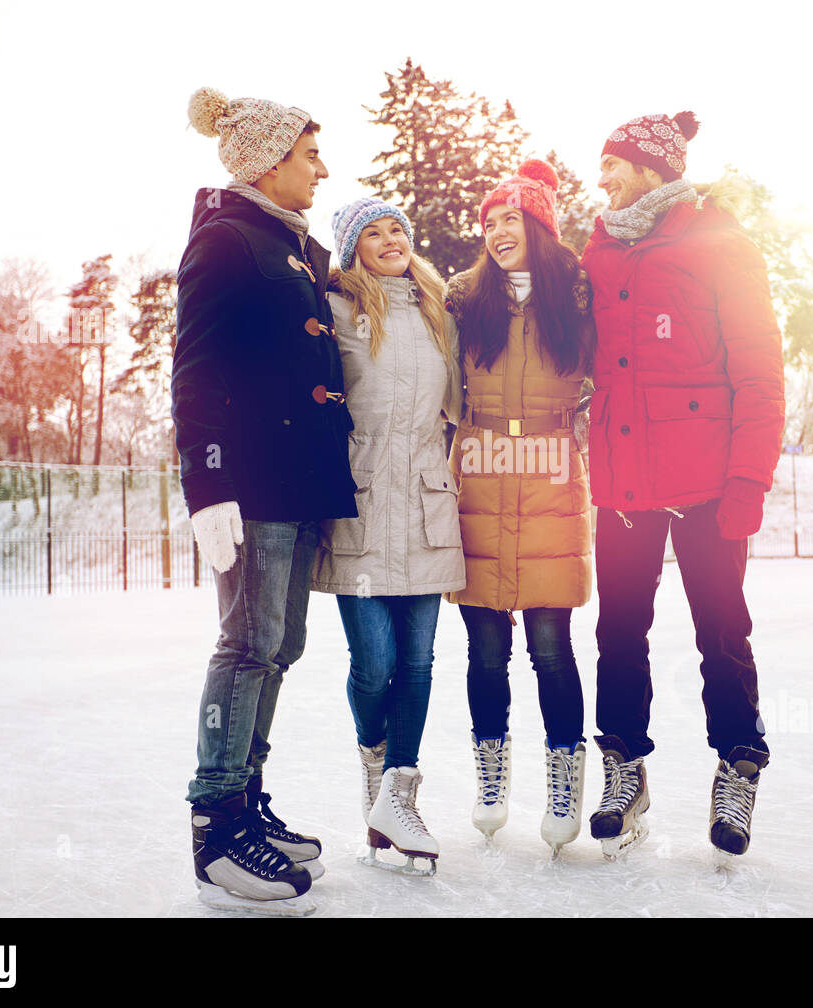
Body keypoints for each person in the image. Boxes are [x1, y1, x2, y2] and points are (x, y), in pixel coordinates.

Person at [580, 112, 785, 865]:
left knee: (721, 631)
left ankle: (738, 764)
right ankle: (623, 771)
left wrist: (748, 482)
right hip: (623, 484)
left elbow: (761, 368)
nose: (600, 178)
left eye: (612, 165)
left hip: (708, 485)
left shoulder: (720, 243)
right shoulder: (596, 253)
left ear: (651, 167)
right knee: (617, 635)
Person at [173, 87, 357, 914]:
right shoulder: (225, 241)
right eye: (310, 154)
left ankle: (247, 802)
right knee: (245, 645)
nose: (322, 168)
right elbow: (198, 367)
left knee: (278, 647)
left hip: (294, 480)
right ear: (266, 161)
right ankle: (215, 829)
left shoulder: (288, 245)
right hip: (248, 485)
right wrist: (207, 485)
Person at [445, 160, 595, 856]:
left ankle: (565, 778)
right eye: (490, 222)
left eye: (512, 218)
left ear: (539, 224)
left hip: (548, 479)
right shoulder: (464, 299)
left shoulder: (578, 299)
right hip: (476, 476)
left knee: (549, 645)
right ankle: (491, 772)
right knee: (483, 648)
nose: (499, 231)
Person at [313, 198, 464, 876]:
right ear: (352, 251)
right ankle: (374, 766)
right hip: (364, 503)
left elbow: (465, 405)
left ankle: (401, 793)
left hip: (429, 502)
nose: (388, 239)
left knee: (420, 662)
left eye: (396, 228)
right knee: (375, 663)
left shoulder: (440, 313)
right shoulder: (339, 310)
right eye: (370, 233)